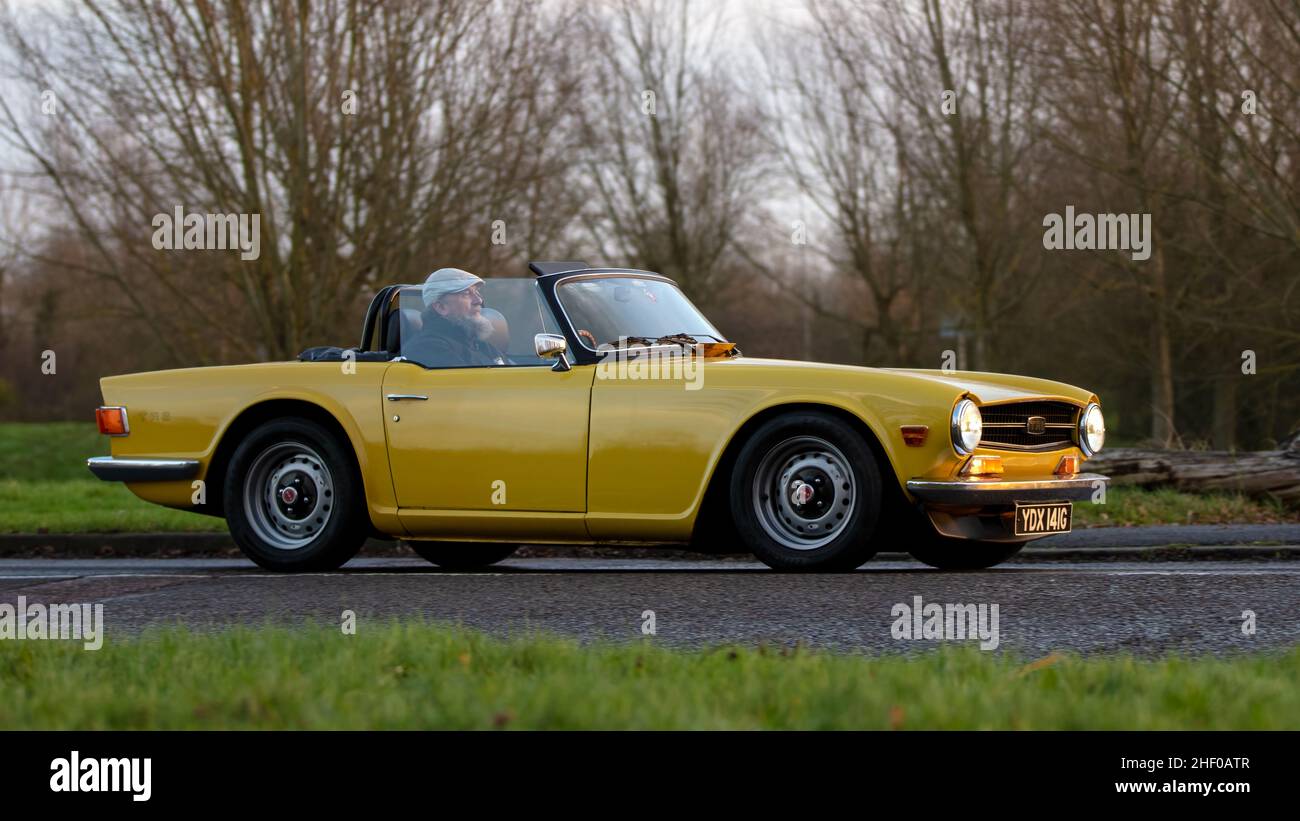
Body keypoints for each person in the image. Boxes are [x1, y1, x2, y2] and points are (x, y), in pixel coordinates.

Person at [402, 268, 509, 368]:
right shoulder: (428, 348)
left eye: (477, 292)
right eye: (466, 293)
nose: (478, 300)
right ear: (441, 307)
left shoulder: (482, 346)